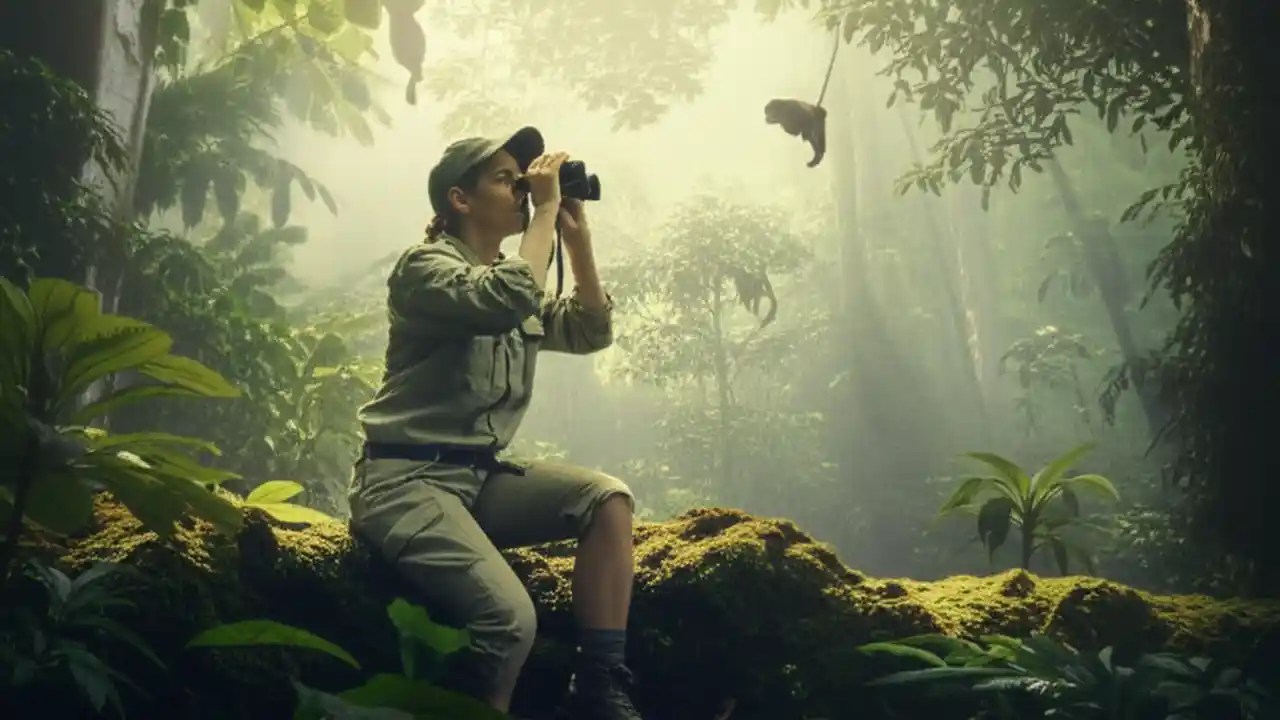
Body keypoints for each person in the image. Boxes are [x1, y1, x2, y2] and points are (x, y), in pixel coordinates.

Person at [347, 126, 645, 720]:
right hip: (404, 484)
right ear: (461, 199)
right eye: (508, 180)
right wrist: (545, 213)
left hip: (477, 482)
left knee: (606, 501)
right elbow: (502, 299)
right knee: (508, 619)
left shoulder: (517, 281)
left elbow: (591, 330)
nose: (524, 191)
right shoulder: (424, 268)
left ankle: (598, 684)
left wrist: (576, 241)